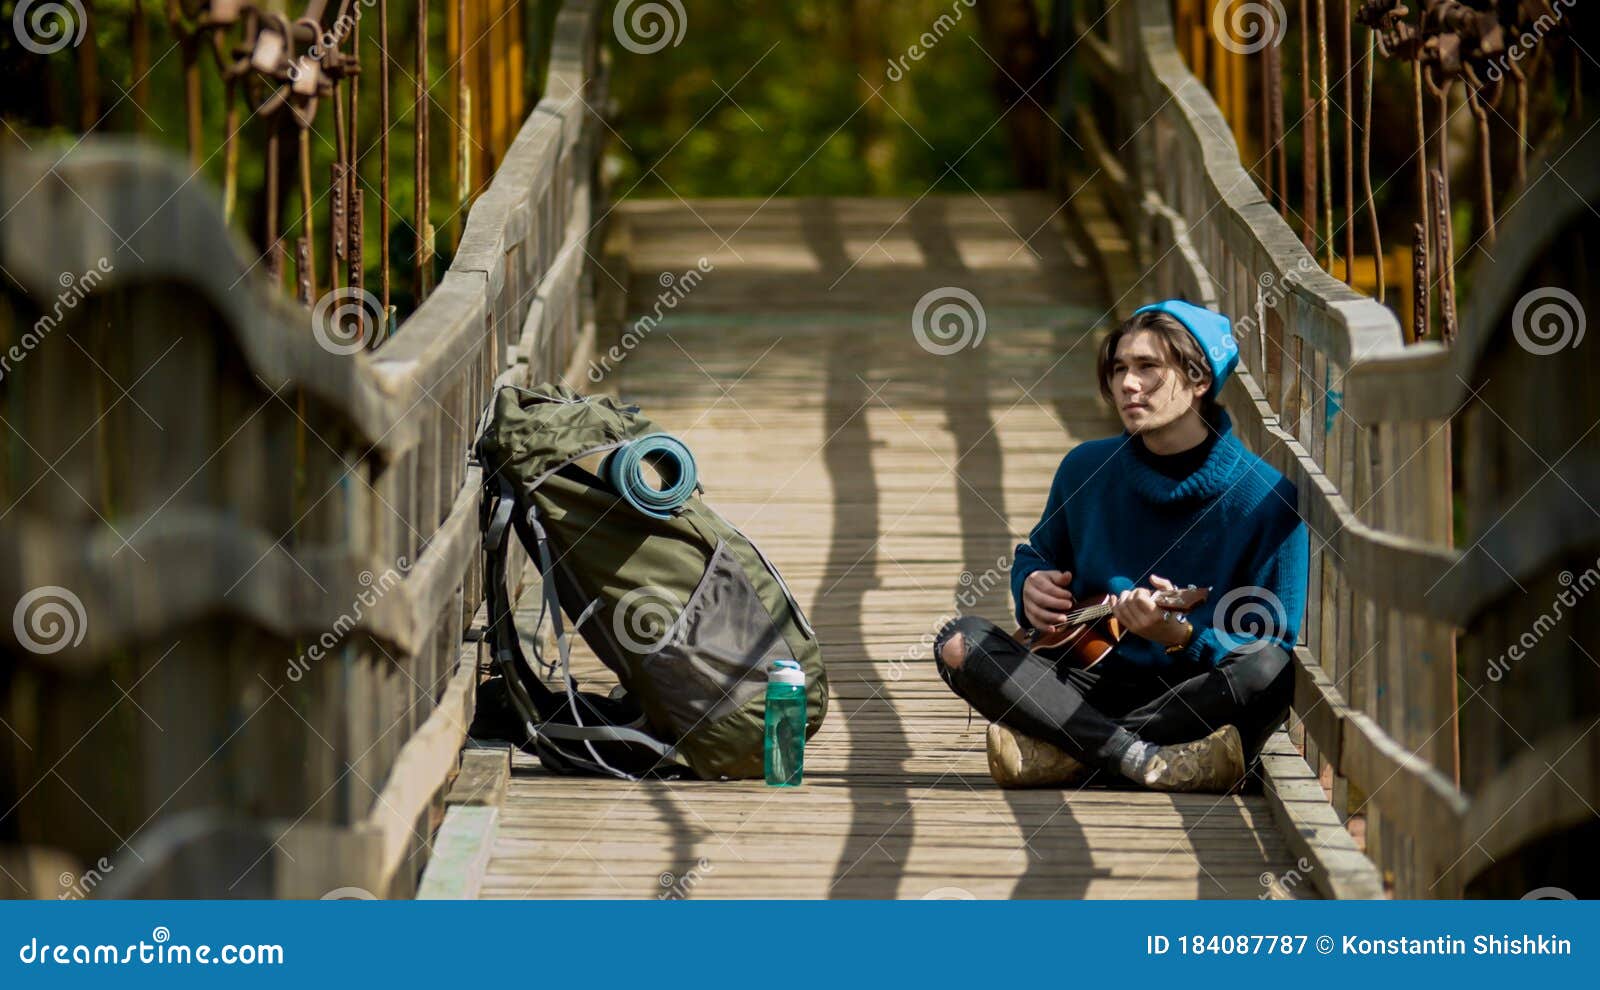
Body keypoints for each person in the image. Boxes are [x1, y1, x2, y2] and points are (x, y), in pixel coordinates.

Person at [932, 301, 1308, 792]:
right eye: (1119, 369)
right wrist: (1029, 583)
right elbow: (1040, 553)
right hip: (1083, 684)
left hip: (1187, 695)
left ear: (1199, 380)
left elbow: (1269, 643)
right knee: (960, 643)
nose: (1128, 384)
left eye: (1148, 368)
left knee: (1268, 671)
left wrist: (1178, 635)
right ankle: (1140, 759)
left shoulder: (1265, 498)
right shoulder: (1085, 467)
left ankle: (1070, 753)